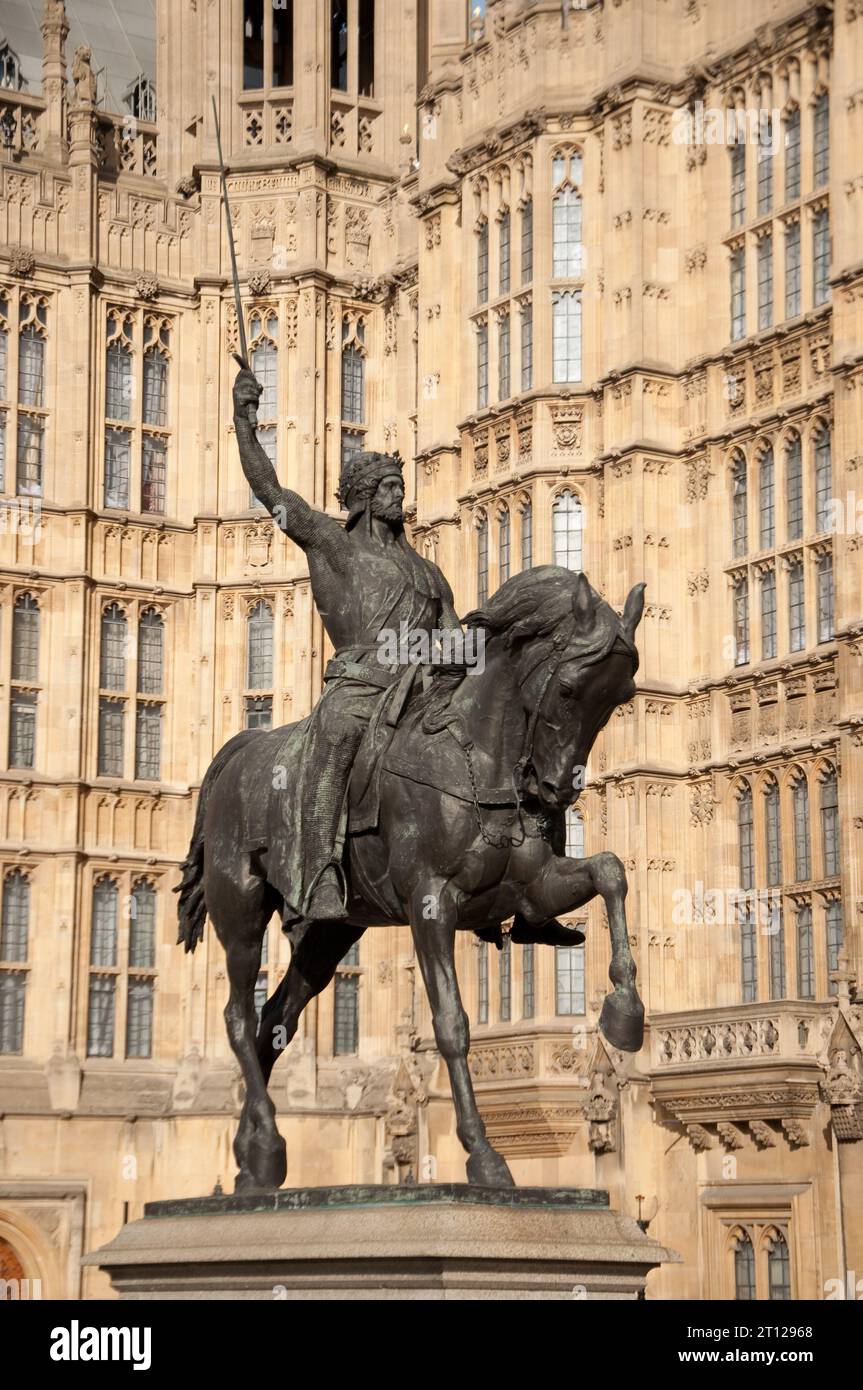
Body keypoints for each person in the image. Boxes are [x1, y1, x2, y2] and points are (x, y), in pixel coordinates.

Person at [232, 366, 462, 921]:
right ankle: (319, 875)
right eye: (388, 487)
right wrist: (244, 420)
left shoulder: (428, 572)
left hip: (420, 692)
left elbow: (457, 643)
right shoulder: (332, 545)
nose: (398, 495)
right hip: (359, 688)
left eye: (400, 487)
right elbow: (270, 491)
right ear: (362, 497)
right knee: (335, 741)